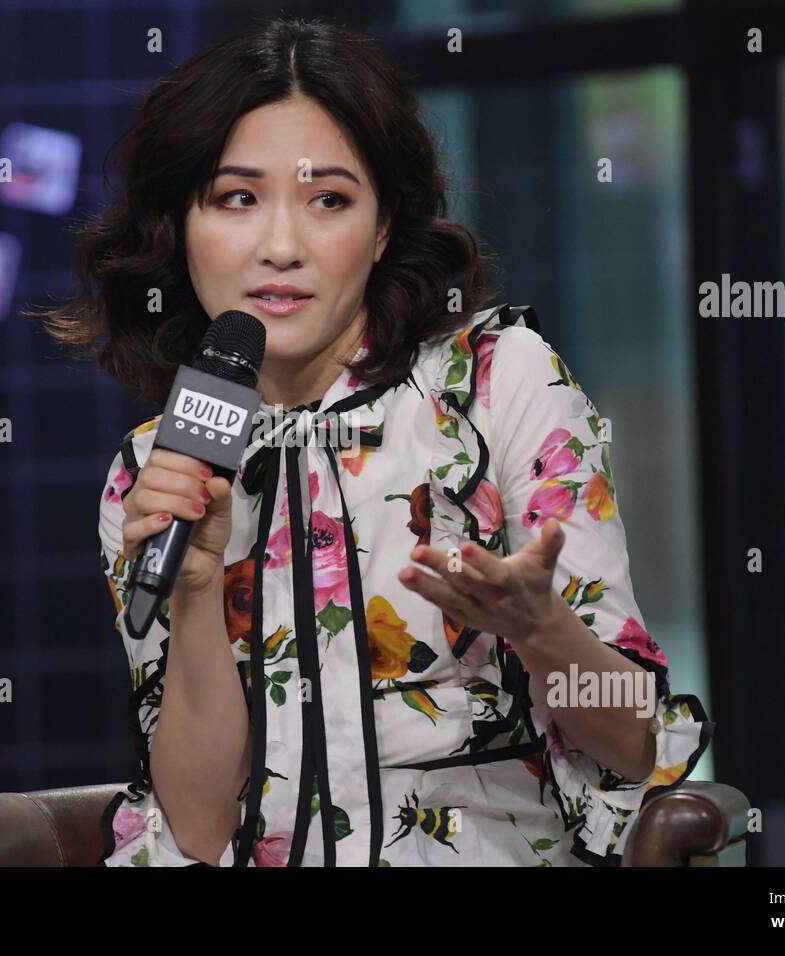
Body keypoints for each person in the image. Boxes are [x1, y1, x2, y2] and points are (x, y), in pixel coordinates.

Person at [43, 17, 713, 866]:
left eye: (329, 199)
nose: (280, 247)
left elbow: (633, 743)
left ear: (384, 225)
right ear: (181, 223)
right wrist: (197, 592)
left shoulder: (499, 383)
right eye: (237, 199)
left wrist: (543, 629)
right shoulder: (153, 473)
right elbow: (204, 833)